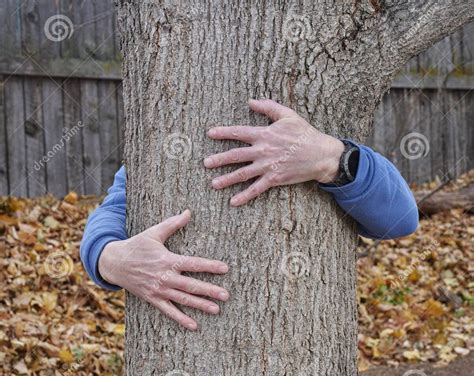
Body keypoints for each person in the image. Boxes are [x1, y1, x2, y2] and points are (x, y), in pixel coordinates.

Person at [80, 99, 419, 330]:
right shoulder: (157, 144)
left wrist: (331, 157)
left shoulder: (328, 130)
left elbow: (401, 219)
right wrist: (110, 259)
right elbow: (115, 208)